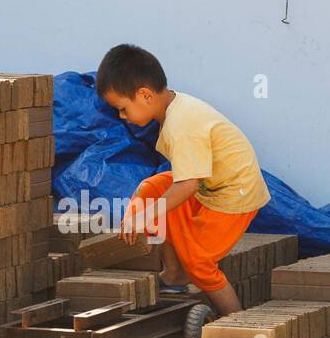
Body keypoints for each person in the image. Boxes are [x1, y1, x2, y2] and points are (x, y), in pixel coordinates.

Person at [95, 43, 270, 317]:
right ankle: (175, 274)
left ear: (144, 95)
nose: (122, 117)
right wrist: (135, 216)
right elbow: (186, 181)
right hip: (209, 184)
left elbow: (187, 185)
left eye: (122, 108)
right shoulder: (172, 107)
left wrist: (146, 216)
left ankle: (237, 321)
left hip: (235, 192)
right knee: (152, 189)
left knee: (199, 262)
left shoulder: (181, 126)